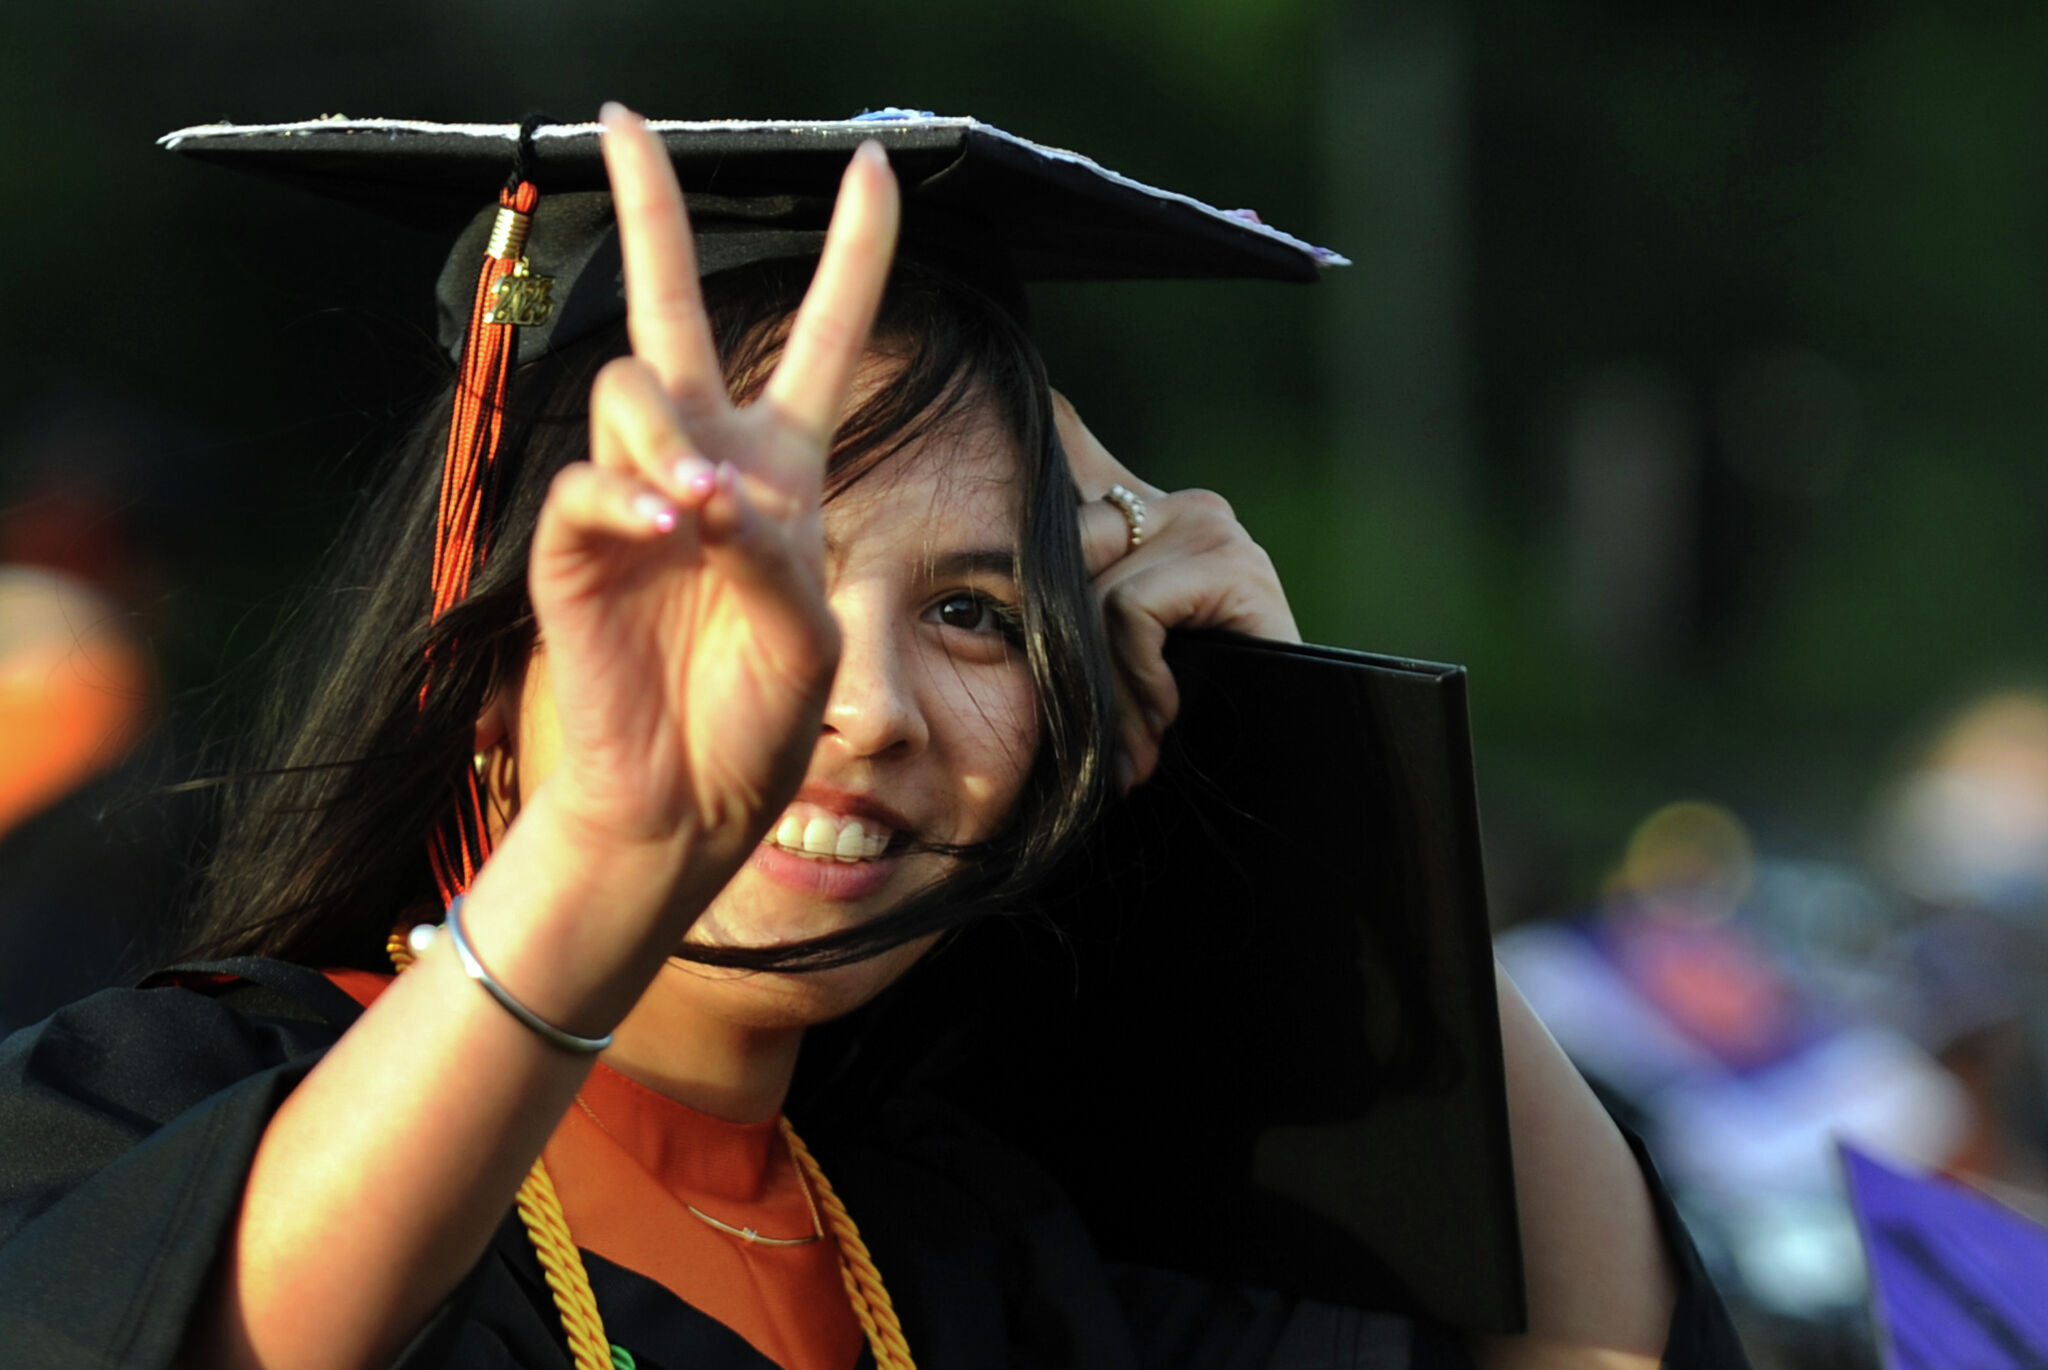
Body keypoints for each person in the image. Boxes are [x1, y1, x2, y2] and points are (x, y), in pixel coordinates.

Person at [0, 106, 1743, 1369]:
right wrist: (613, 844)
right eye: (741, 583)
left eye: (976, 610)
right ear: (494, 627)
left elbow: (1590, 1346)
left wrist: (1315, 762)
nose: (859, 703)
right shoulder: (148, 1114)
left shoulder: (975, 1240)